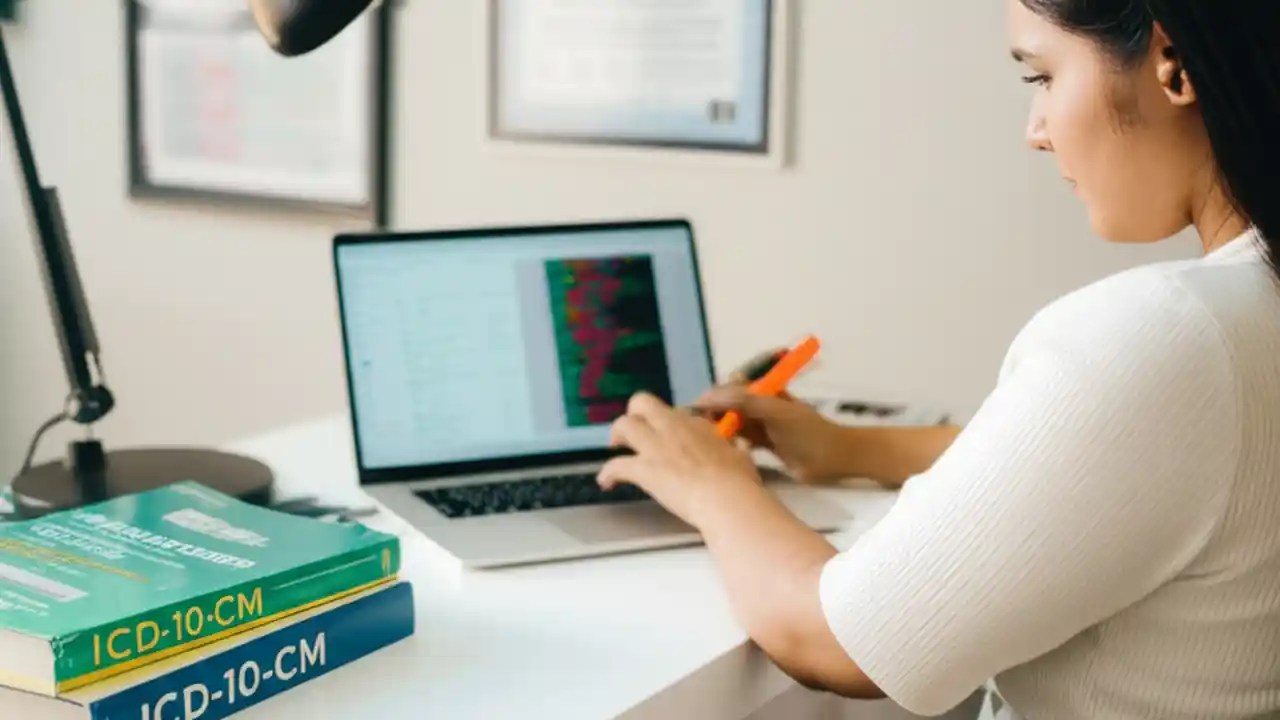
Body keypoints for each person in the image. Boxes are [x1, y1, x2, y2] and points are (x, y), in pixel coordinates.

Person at [594, 1, 1280, 717]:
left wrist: (711, 484)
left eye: (1041, 76)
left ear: (1172, 65)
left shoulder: (1168, 334)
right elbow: (1120, 467)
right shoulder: (1244, 316)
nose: (1035, 131)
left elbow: (831, 642)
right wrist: (848, 448)